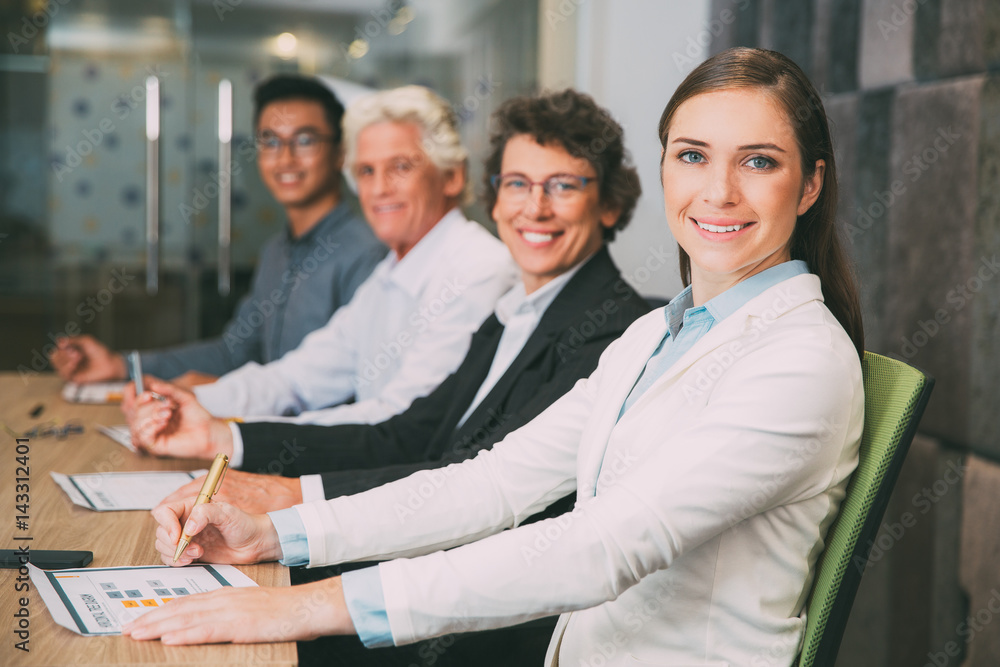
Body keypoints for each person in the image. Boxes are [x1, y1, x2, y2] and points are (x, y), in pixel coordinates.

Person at [124, 47, 866, 667]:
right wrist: (277, 535)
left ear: (811, 185)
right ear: (667, 169)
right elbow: (492, 481)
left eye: (759, 161)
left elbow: (599, 546)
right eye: (693, 155)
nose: (718, 191)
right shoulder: (656, 334)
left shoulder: (799, 361)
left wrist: (300, 606)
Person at [129, 89, 650, 505]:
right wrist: (213, 428)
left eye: (563, 185)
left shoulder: (555, 307)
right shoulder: (508, 308)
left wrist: (288, 495)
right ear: (495, 198)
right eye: (517, 184)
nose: (534, 207)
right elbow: (397, 424)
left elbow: (465, 478)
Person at [126, 86, 517, 433]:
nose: (379, 189)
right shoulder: (388, 274)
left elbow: (399, 421)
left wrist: (234, 436)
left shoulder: (478, 270)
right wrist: (185, 404)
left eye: (401, 166)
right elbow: (296, 379)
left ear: (452, 177)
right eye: (366, 171)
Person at [48, 75, 387, 388]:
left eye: (304, 140)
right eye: (270, 141)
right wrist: (123, 366)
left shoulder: (367, 253)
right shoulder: (277, 252)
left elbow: (356, 385)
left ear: (341, 153)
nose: (285, 158)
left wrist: (229, 394)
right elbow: (233, 353)